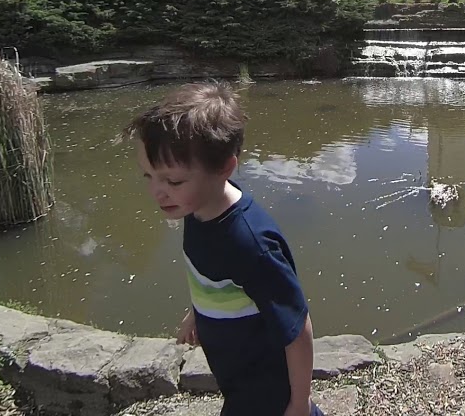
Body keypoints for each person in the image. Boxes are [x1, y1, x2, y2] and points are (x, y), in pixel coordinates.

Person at [124, 81, 320, 416]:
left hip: (267, 390)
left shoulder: (251, 245)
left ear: (224, 169)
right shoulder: (195, 206)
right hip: (236, 378)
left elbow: (298, 330)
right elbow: (209, 271)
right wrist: (196, 312)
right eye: (149, 176)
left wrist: (299, 403)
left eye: (172, 181)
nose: (158, 192)